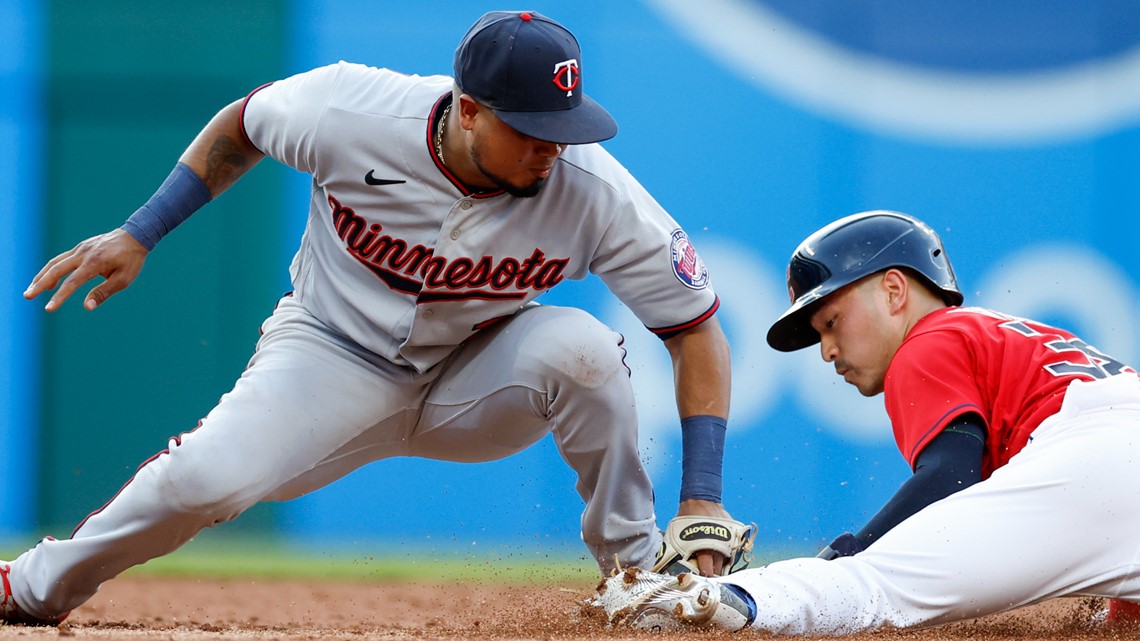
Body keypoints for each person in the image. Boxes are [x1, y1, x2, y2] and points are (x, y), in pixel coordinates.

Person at [6, 11, 742, 625]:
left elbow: (695, 328)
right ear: (470, 107)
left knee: (584, 350)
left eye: (563, 125)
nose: (552, 146)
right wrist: (142, 230)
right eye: (530, 127)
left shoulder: (591, 191)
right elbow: (244, 124)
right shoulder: (351, 110)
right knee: (203, 481)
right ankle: (31, 587)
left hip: (479, 375)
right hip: (327, 356)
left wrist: (702, 491)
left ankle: (636, 577)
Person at [593, 210, 1140, 634]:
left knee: (876, 588)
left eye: (831, 321)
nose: (827, 350)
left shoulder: (928, 339)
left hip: (1091, 459)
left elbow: (951, 475)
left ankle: (719, 598)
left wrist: (849, 554)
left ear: (895, 290)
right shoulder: (1010, 331)